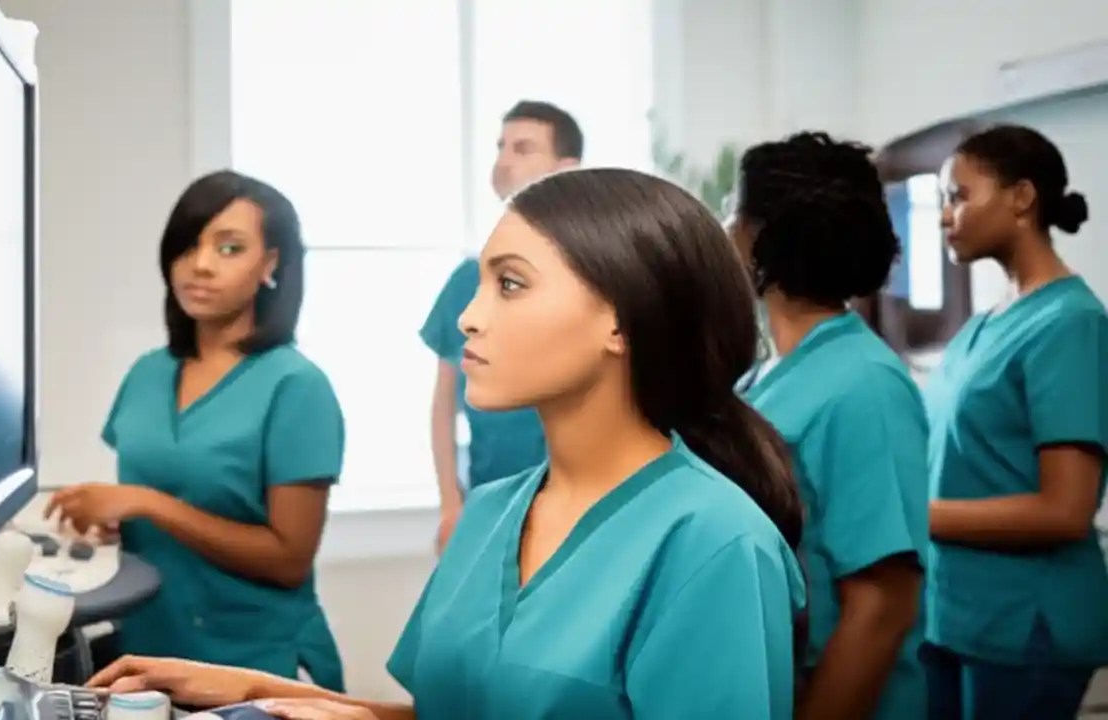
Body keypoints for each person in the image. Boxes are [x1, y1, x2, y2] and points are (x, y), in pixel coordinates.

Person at [88, 168, 808, 719]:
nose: (467, 318)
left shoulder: (714, 545)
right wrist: (252, 690)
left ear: (621, 323)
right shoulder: (492, 513)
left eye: (511, 285)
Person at [46, 171, 347, 691]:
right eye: (188, 246)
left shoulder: (297, 386)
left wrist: (144, 503)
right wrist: (112, 521)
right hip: (145, 650)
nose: (200, 265)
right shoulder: (148, 372)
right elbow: (165, 502)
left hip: (249, 666)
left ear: (270, 264)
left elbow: (288, 560)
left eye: (230, 248)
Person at [728, 132, 928, 720]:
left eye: (732, 210)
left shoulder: (864, 385)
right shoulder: (767, 375)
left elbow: (882, 605)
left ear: (763, 234)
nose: (724, 225)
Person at [920, 124, 1104, 720]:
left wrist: (916, 515)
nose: (946, 216)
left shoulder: (1070, 324)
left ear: (1021, 198)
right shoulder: (982, 326)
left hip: (1025, 628)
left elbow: (1065, 510)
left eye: (959, 195)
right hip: (956, 618)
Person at [423, 100, 583, 551]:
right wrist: (451, 504)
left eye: (523, 148)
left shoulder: (594, 277)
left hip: (572, 508)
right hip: (488, 505)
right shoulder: (464, 282)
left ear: (567, 168)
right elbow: (442, 405)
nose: (504, 161)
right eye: (500, 147)